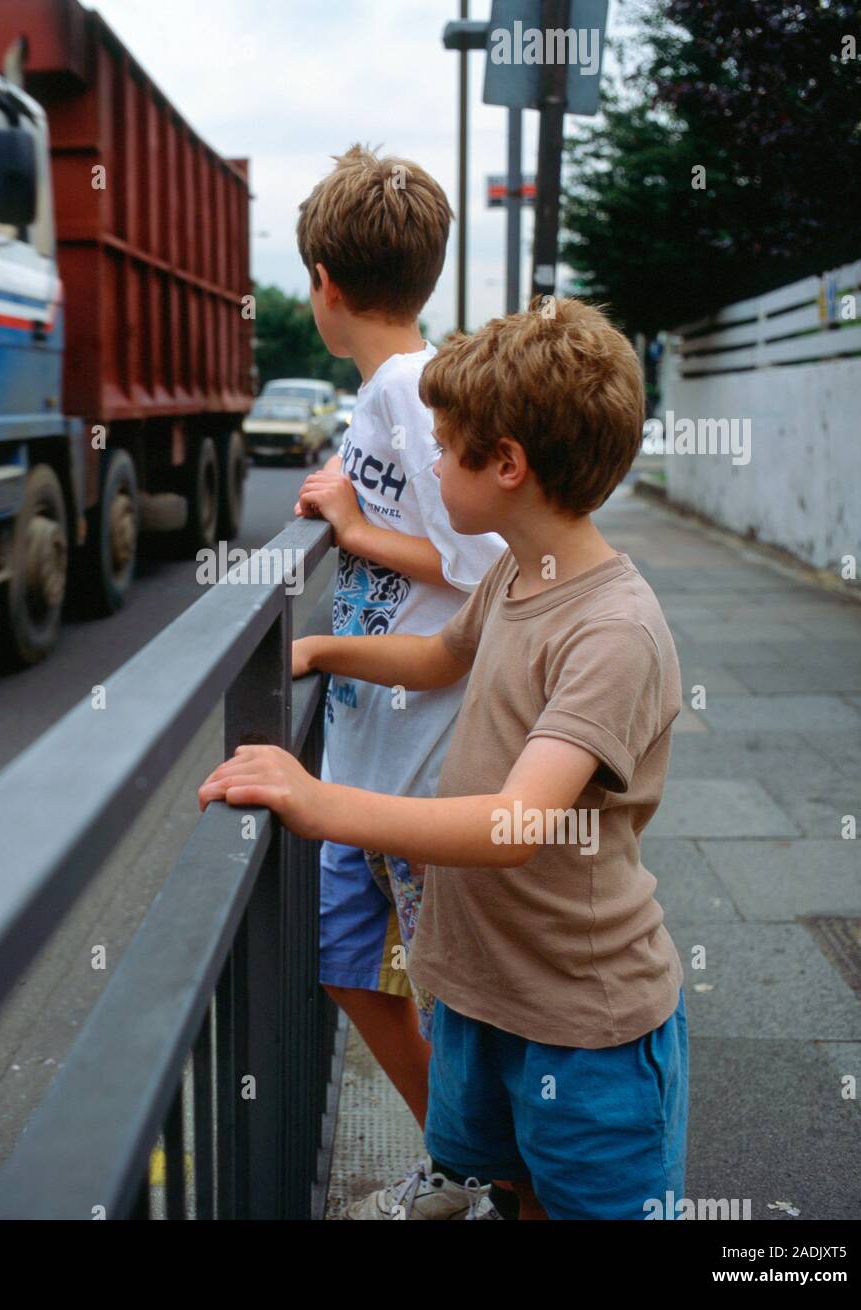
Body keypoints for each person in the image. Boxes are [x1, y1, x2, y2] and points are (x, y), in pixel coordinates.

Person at [200, 297, 688, 1221]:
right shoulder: (513, 573)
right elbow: (436, 657)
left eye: (446, 444)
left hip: (582, 1023)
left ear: (507, 465)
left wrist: (317, 800)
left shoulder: (612, 631)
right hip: (483, 992)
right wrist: (316, 650)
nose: (428, 460)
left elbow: (514, 827)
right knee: (511, 1190)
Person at [291, 144, 505, 1141]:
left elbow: (483, 561)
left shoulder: (409, 389)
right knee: (346, 963)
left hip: (419, 766)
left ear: (324, 284)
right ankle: (458, 1154)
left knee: (451, 994)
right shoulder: (392, 389)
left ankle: (492, 1172)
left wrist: (352, 525)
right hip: (367, 759)